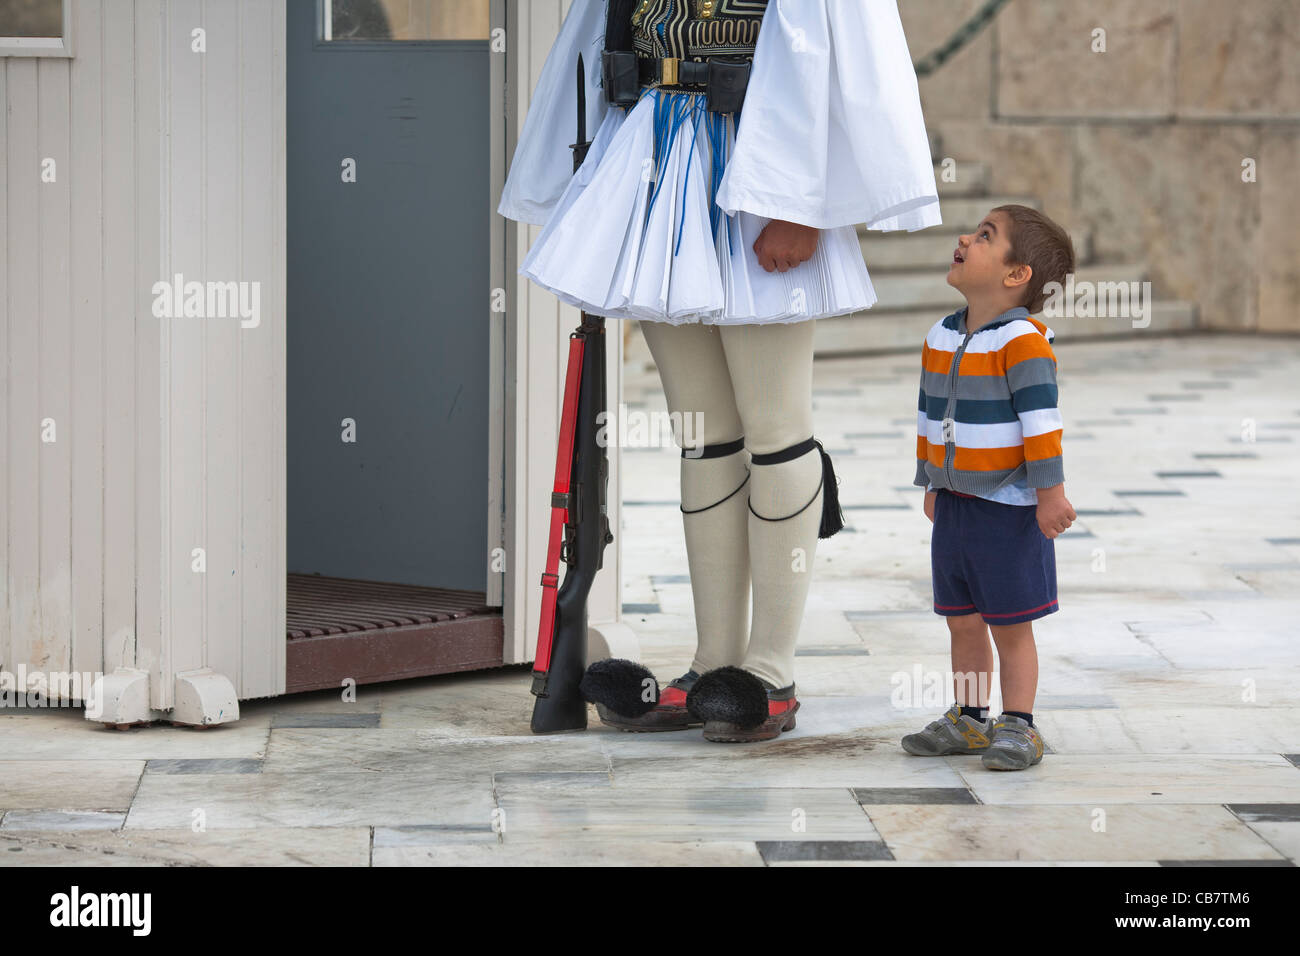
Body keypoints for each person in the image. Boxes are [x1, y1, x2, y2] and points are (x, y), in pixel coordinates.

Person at [498, 0, 941, 742]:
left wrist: (805, 203)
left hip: (764, 169)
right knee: (703, 433)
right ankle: (713, 664)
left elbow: (846, 49)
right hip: (652, 157)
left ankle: (770, 669)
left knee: (777, 432)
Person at [903, 204, 1077, 770]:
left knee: (1010, 622)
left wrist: (1049, 493)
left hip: (1008, 507)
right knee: (962, 618)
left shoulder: (1023, 341)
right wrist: (930, 478)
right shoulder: (942, 334)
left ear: (1016, 274)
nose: (965, 238)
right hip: (955, 503)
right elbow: (929, 414)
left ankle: (1019, 725)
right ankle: (970, 718)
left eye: (985, 236)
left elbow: (1041, 424)